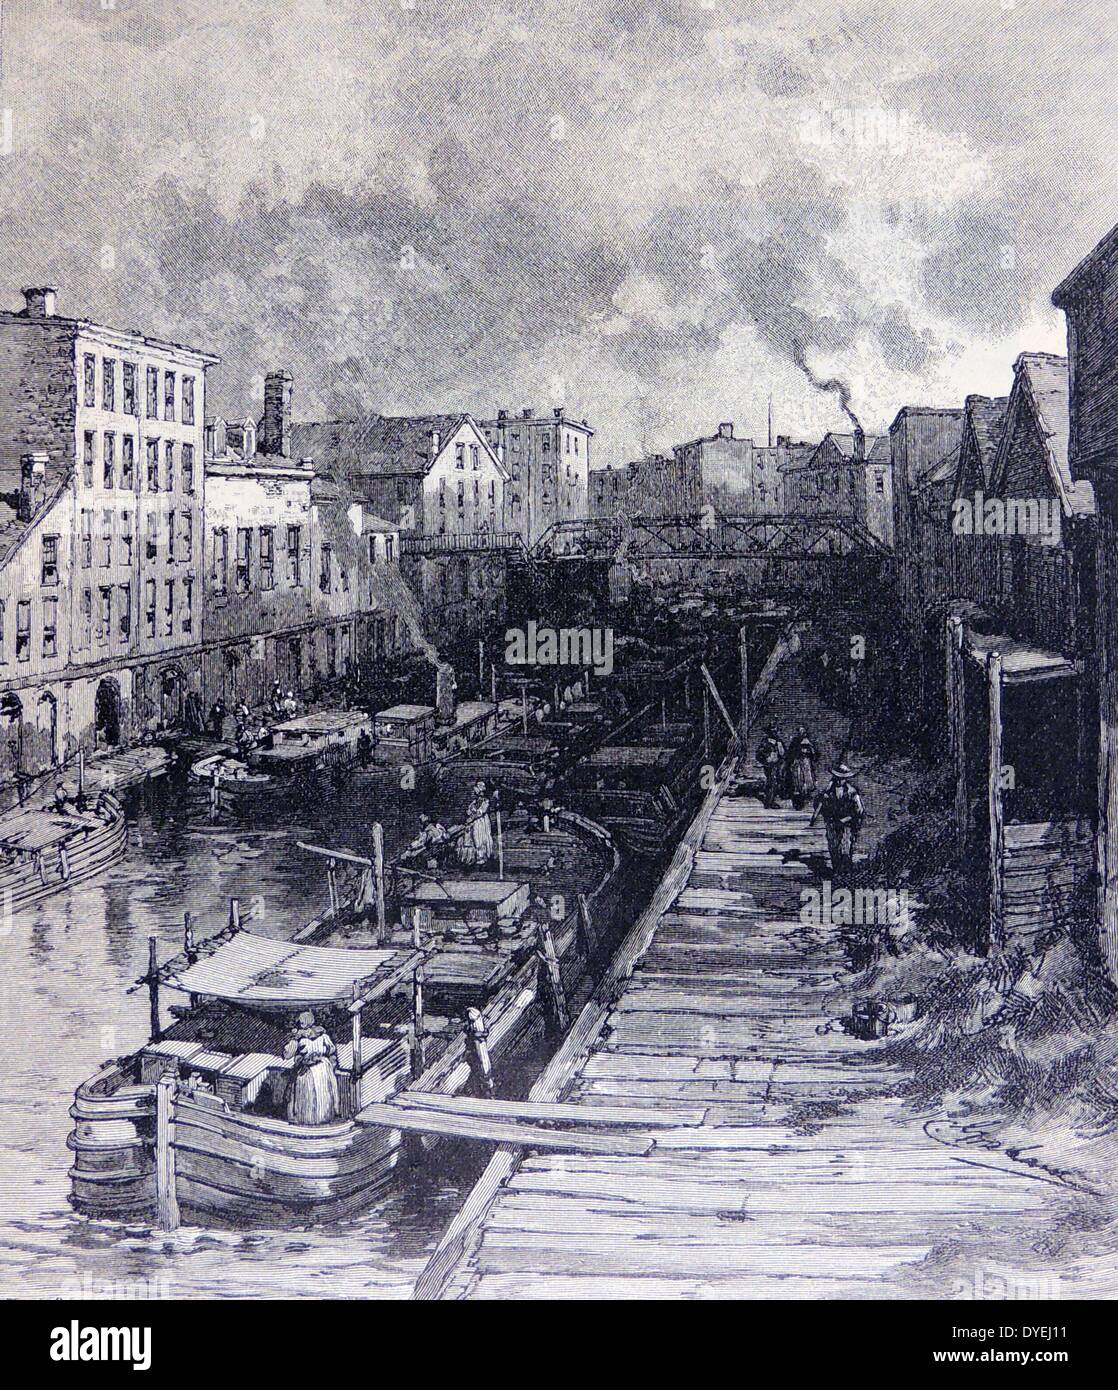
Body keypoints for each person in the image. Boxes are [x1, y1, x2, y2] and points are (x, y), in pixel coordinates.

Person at [282, 1011, 340, 1125]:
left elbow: (287, 1054)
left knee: (309, 1094)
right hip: (323, 1068)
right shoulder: (324, 1036)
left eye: (301, 1021)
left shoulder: (299, 1038)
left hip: (308, 1069)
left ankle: (308, 1120)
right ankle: (322, 1118)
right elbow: (331, 1050)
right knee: (322, 1093)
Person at [811, 763, 864, 879]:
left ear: (846, 779)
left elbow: (859, 810)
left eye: (842, 778)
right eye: (838, 778)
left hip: (847, 824)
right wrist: (822, 802)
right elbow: (819, 805)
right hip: (831, 822)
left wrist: (846, 819)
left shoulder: (851, 792)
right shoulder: (829, 790)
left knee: (845, 846)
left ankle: (846, 872)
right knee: (833, 845)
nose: (840, 781)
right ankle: (836, 870)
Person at [457, 781, 495, 867]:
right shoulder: (474, 802)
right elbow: (468, 811)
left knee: (481, 838)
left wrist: (471, 817)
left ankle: (483, 859)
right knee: (474, 839)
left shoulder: (486, 801)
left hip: (481, 822)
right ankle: (474, 858)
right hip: (474, 822)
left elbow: (480, 812)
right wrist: (470, 816)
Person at [784, 726, 818, 811]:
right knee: (797, 781)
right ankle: (798, 802)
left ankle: (804, 799)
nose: (802, 733)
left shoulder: (809, 742)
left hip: (806, 763)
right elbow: (790, 753)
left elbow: (814, 754)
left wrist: (810, 750)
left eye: (803, 732)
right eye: (800, 732)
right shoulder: (795, 741)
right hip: (797, 763)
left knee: (807, 781)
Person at [755, 725, 786, 808]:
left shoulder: (779, 741)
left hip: (777, 764)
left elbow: (783, 754)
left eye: (776, 731)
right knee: (772, 781)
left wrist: (780, 757)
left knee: (775, 782)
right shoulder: (765, 741)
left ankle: (770, 800)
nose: (775, 733)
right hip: (769, 765)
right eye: (773, 731)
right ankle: (769, 802)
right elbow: (758, 754)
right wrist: (766, 759)